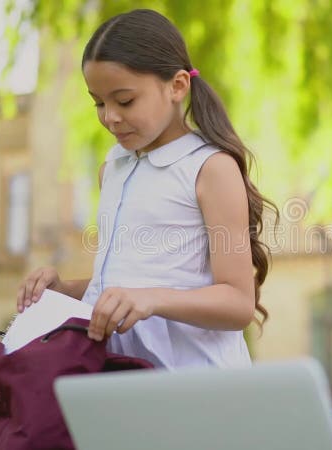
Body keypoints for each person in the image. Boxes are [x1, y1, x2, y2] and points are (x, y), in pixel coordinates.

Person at [15, 9, 275, 369]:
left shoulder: (209, 168)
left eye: (124, 101)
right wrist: (62, 289)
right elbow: (130, 280)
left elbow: (237, 304)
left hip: (196, 383)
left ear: (178, 86)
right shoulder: (113, 168)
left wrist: (150, 300)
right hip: (121, 376)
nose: (110, 117)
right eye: (99, 103)